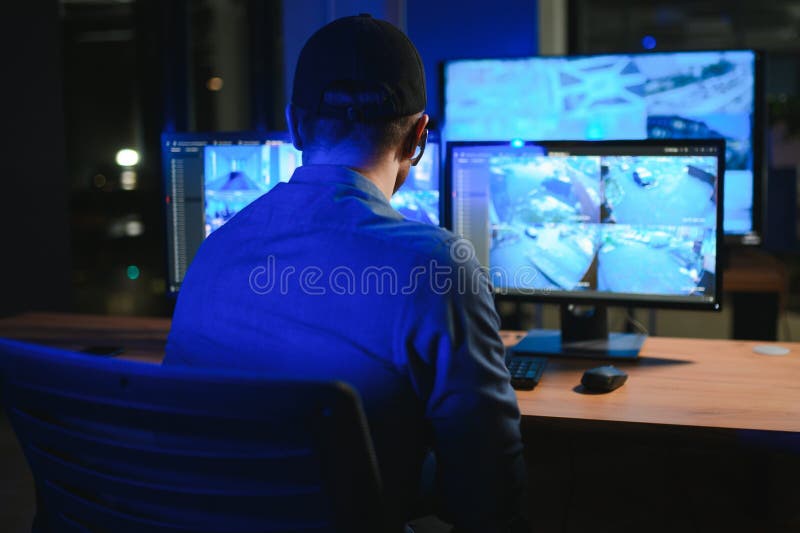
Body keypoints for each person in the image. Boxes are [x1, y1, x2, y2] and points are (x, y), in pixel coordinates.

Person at [165, 14, 527, 532]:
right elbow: (488, 489)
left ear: (294, 124)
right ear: (419, 137)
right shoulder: (438, 265)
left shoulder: (215, 250)